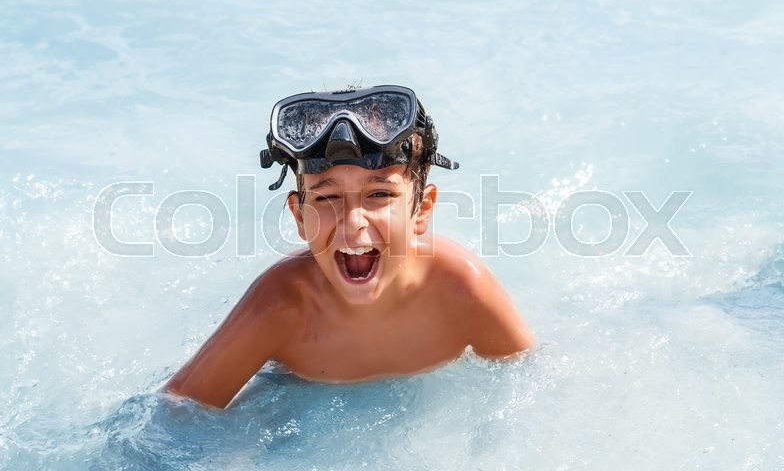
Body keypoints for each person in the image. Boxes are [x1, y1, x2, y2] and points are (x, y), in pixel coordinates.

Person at [164, 85, 534, 409]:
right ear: (299, 217)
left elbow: (528, 382)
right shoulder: (280, 305)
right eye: (326, 198)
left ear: (421, 210)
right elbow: (177, 412)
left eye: (378, 194)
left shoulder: (460, 289)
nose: (352, 221)